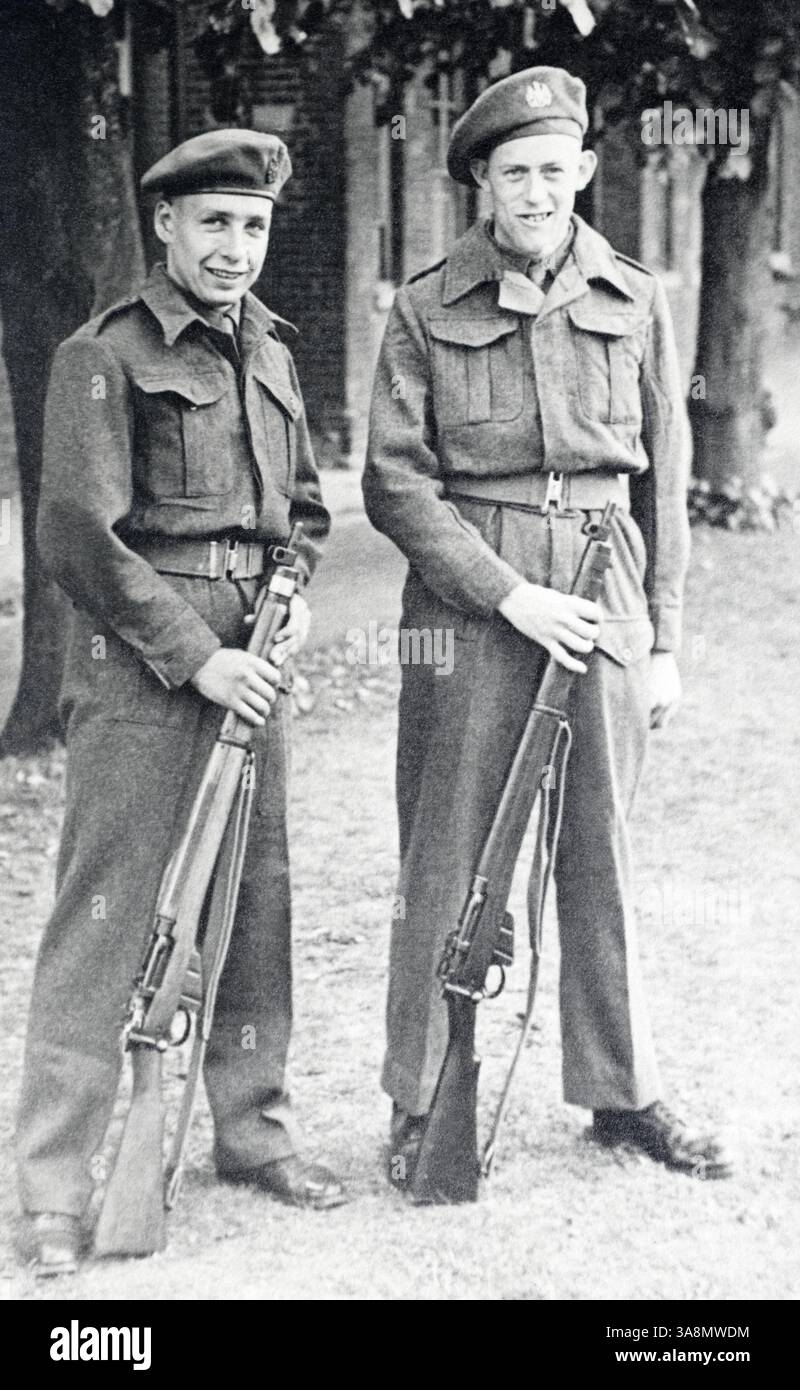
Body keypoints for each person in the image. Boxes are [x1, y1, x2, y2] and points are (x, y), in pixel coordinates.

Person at [363, 67, 732, 1190]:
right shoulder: (424, 306)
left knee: (599, 853)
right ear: (481, 181)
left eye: (552, 168)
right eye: (510, 171)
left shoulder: (636, 294)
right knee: (448, 850)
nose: (535, 190)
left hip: (604, 580)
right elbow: (392, 481)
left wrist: (659, 639)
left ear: (581, 169)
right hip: (473, 601)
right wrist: (502, 591)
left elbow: (661, 476)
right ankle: (421, 1093)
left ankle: (620, 1091)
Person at [17, 129, 347, 1277]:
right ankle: (55, 1183)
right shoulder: (101, 353)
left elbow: (299, 509)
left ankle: (252, 1130)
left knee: (257, 902)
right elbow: (75, 535)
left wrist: (293, 593)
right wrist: (191, 654)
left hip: (256, 651)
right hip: (145, 665)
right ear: (165, 226)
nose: (234, 248)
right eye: (212, 223)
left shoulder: (273, 352)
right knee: (108, 916)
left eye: (251, 227)